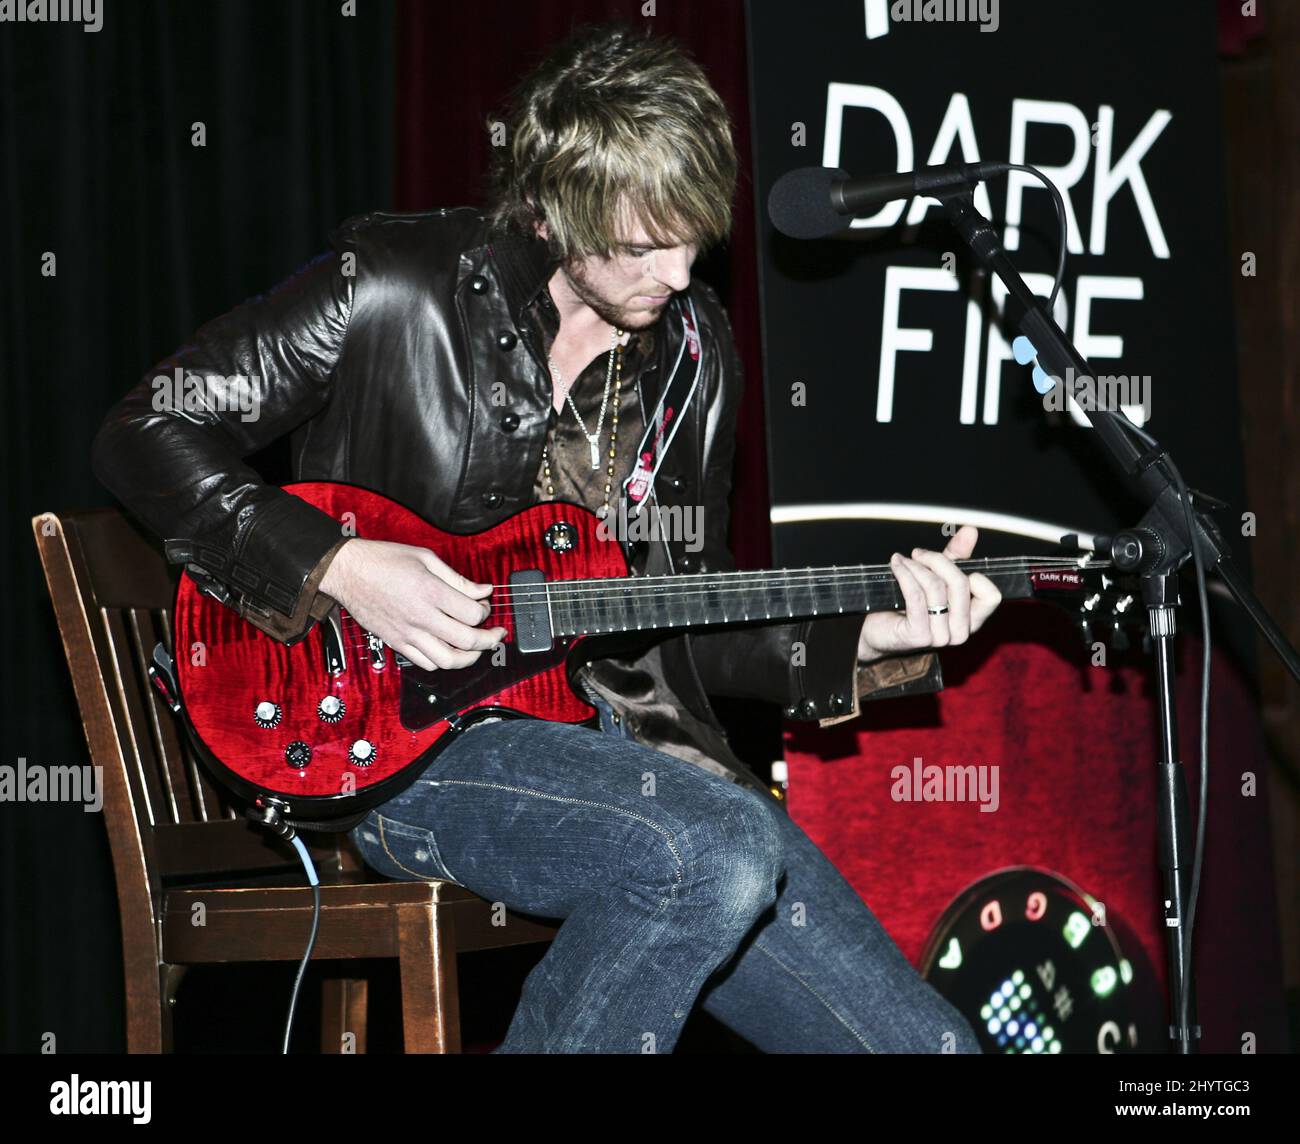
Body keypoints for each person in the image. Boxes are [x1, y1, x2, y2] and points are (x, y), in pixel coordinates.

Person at [92, 21, 1000, 1053]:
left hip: (618, 752)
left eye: (695, 235)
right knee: (715, 851)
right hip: (394, 745)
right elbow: (144, 430)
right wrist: (336, 563)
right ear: (556, 204)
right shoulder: (393, 281)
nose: (677, 268)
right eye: (645, 241)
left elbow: (681, 615)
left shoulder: (694, 351)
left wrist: (856, 642)